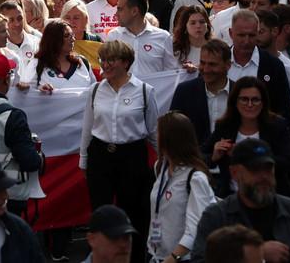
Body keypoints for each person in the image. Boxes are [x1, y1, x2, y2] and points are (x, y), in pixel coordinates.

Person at [80, 40, 159, 263]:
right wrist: (83, 161)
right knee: (100, 213)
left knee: (134, 213)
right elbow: (87, 127)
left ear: (125, 63)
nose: (105, 64)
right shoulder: (95, 90)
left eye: (111, 60)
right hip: (100, 156)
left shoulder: (144, 91)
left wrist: (165, 162)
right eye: (103, 59)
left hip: (132, 157)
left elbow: (153, 131)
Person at [191, 138, 290, 263]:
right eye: (255, 169)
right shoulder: (217, 216)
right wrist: (256, 254)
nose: (263, 177)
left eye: (268, 169)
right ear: (234, 172)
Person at [0, 52, 44, 214]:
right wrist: (39, 157)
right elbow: (30, 161)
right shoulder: (14, 116)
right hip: (7, 195)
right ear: (6, 79)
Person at [205, 76, 290, 198]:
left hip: (271, 198)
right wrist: (214, 156)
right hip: (232, 197)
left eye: (255, 100)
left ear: (263, 102)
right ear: (235, 102)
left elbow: (289, 161)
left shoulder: (276, 126)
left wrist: (250, 156)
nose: (249, 104)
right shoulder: (224, 126)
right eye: (244, 99)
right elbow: (199, 155)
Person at [148, 112, 216, 263]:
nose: (155, 136)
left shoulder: (195, 178)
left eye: (158, 132)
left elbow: (195, 229)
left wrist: (172, 258)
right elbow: (159, 212)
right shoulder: (160, 168)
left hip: (183, 259)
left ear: (168, 139)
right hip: (156, 255)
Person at [170, 40, 234, 157]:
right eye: (202, 63)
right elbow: (173, 134)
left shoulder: (239, 93)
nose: (206, 69)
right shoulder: (185, 92)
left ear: (228, 65)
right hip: (194, 166)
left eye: (212, 64)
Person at [229, 10, 290, 122]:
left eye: (252, 35)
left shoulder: (274, 66)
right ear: (231, 33)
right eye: (241, 35)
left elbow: (284, 109)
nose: (246, 41)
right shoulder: (218, 62)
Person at [106, 0, 180, 75]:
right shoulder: (113, 36)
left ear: (134, 11)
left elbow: (172, 73)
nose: (116, 14)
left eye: (120, 9)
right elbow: (105, 71)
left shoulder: (163, 37)